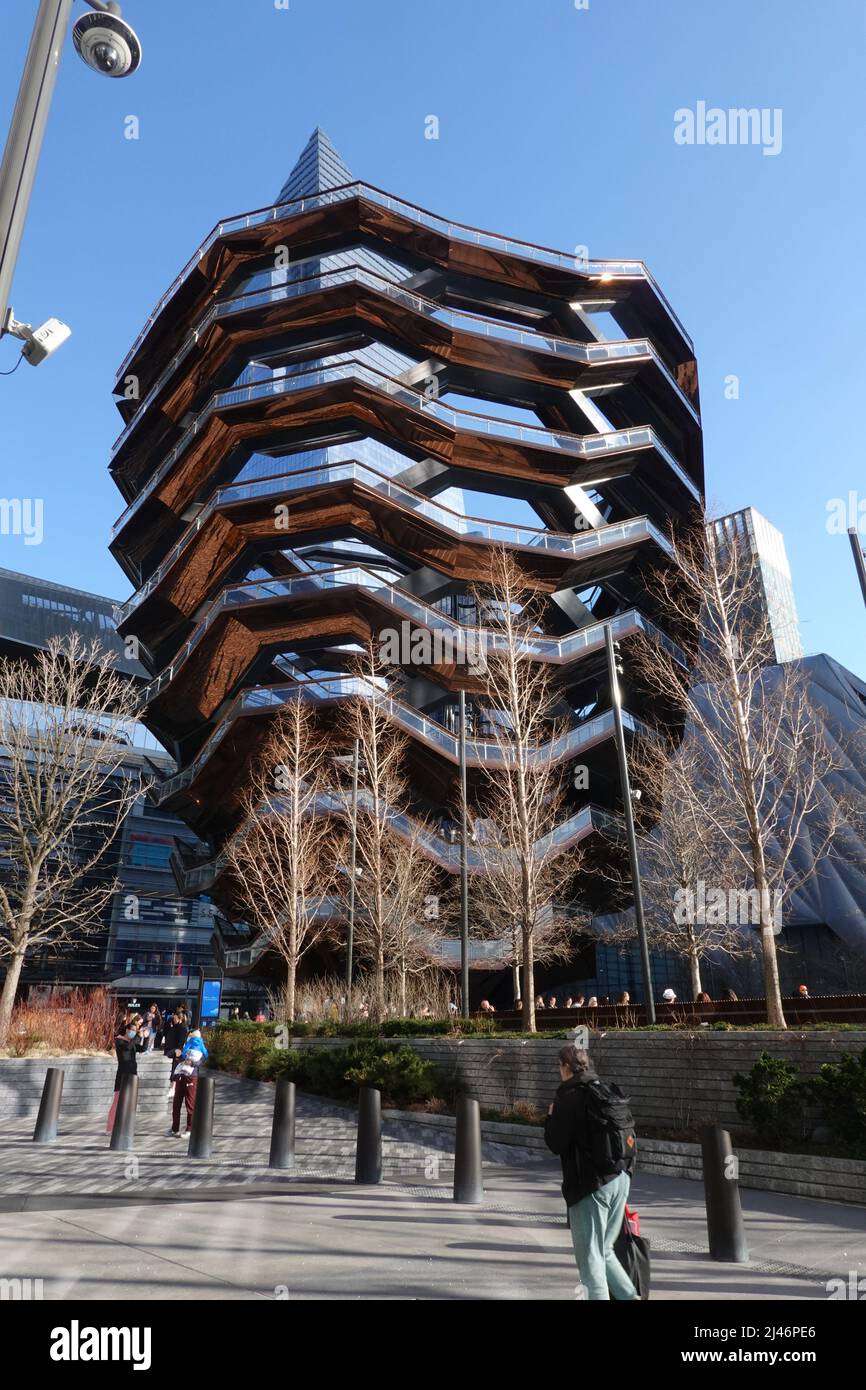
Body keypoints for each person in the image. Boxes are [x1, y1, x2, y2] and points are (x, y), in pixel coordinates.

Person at [544, 1044, 639, 1301]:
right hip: (621, 1178)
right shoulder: (603, 1088)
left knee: (590, 1261)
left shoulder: (569, 1096)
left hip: (591, 1187)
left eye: (558, 1066)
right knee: (605, 1250)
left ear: (565, 1067)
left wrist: (551, 1117)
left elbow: (555, 1143)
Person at [107, 1016, 147, 1135]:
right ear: (127, 1030)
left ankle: (125, 1125)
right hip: (122, 1075)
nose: (133, 1033)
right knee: (117, 1101)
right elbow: (127, 1047)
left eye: (135, 1031)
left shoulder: (132, 1042)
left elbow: (143, 1048)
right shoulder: (120, 1041)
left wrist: (146, 1036)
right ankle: (110, 1127)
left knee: (130, 1101)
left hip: (132, 1074)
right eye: (132, 1030)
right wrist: (137, 1036)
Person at [169, 1028, 209, 1137]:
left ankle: (189, 1129)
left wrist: (193, 1063)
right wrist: (178, 1055)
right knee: (176, 1103)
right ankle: (174, 1128)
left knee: (190, 1104)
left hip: (191, 1076)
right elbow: (180, 1056)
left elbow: (204, 1059)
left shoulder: (201, 1048)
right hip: (181, 1075)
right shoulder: (186, 1046)